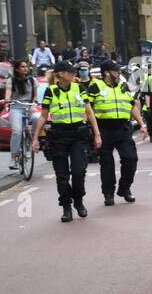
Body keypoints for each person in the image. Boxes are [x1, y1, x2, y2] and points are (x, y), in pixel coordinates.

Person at [31, 61, 101, 222]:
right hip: (58, 137)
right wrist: (35, 138)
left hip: (78, 136)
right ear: (61, 74)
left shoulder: (79, 88)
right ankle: (66, 207)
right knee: (62, 176)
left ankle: (78, 200)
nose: (73, 74)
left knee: (78, 172)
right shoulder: (51, 91)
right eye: (70, 72)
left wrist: (97, 134)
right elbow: (43, 116)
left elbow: (89, 114)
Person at [84, 60, 146, 205]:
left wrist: (142, 124)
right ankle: (108, 193)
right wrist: (95, 131)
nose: (119, 73)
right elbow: (88, 109)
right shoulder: (95, 86)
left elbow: (131, 106)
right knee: (106, 163)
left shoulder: (123, 86)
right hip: (104, 128)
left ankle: (124, 188)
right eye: (116, 71)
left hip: (123, 128)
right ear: (107, 72)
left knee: (131, 159)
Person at [5, 60, 37, 170]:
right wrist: (7, 99)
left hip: (29, 106)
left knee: (37, 117)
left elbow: (35, 96)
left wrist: (33, 105)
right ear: (17, 69)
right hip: (16, 107)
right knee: (17, 131)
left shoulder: (32, 80)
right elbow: (8, 92)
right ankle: (14, 158)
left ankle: (33, 141)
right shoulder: (11, 80)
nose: (25, 68)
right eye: (22, 67)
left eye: (26, 67)